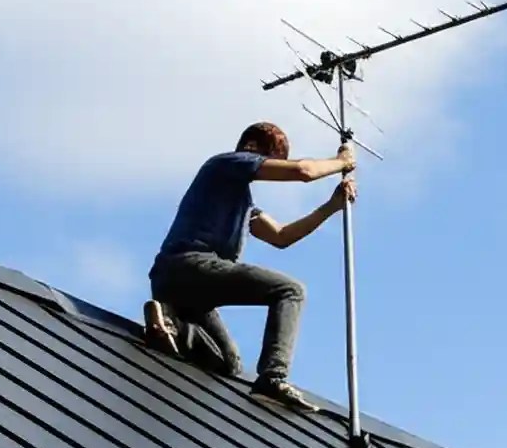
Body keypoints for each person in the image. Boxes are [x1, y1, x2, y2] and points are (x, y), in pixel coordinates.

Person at [143, 121, 357, 412]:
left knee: (229, 363)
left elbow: (282, 237)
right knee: (290, 290)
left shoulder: (241, 201)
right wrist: (341, 162)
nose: (267, 168)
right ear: (253, 148)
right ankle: (273, 377)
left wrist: (332, 206)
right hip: (188, 265)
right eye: (269, 160)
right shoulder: (227, 164)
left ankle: (173, 325)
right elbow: (303, 171)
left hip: (184, 286)